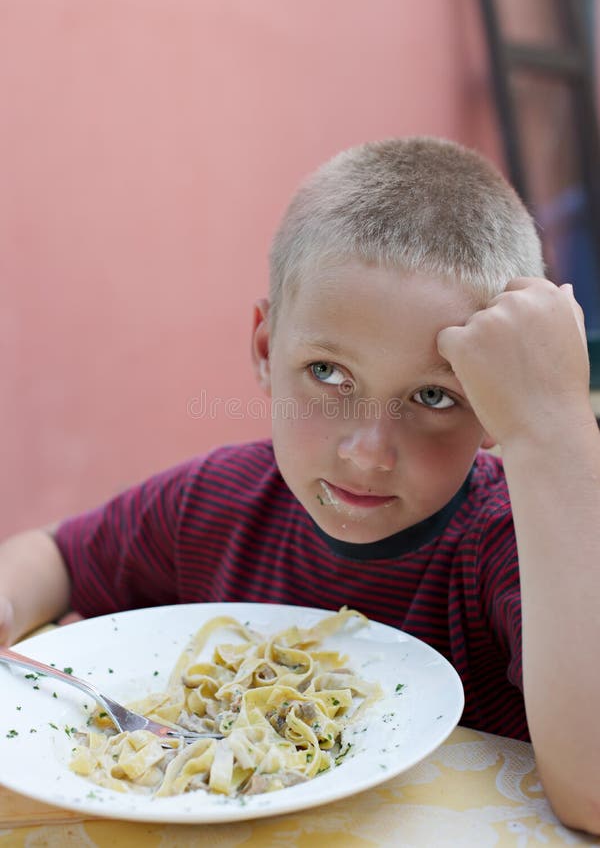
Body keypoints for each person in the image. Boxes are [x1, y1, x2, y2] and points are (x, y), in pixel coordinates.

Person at [1, 137, 599, 833]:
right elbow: (57, 558)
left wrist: (551, 428)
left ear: (496, 405)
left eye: (435, 397)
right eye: (328, 374)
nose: (369, 453)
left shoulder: (516, 541)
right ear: (264, 350)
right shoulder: (216, 502)